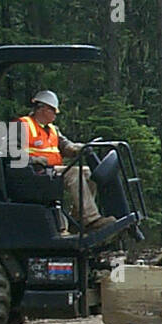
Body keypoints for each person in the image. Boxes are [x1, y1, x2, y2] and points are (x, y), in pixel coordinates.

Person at [18, 90, 116, 230]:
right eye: (53, 110)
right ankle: (91, 219)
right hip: (32, 173)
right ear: (43, 108)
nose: (55, 114)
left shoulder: (52, 130)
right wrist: (34, 160)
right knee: (75, 174)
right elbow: (10, 151)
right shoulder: (22, 126)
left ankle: (78, 219)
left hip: (51, 172)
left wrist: (80, 148)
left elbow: (66, 146)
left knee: (89, 173)